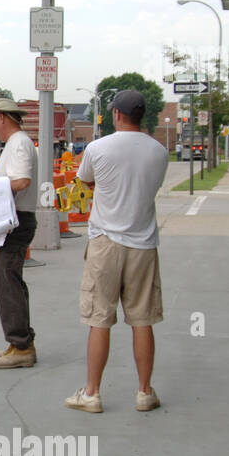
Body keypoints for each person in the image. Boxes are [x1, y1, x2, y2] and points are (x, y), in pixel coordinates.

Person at [64, 90, 169, 413]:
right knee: (142, 319)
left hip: (105, 242)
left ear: (117, 115)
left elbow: (87, 181)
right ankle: (144, 391)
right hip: (143, 244)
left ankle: (92, 393)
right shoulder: (159, 152)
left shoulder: (97, 148)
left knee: (100, 318)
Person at [0, 98, 38, 369]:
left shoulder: (17, 144)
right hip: (16, 218)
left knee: (8, 284)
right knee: (11, 281)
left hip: (17, 220)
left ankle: (20, 345)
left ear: (2, 117)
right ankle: (20, 340)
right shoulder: (18, 144)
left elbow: (22, 181)